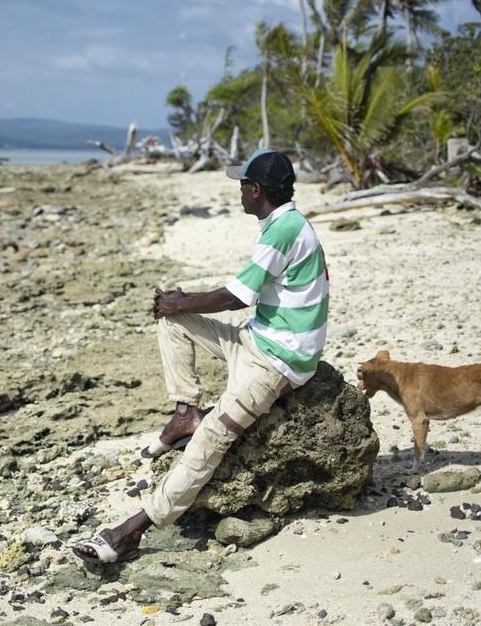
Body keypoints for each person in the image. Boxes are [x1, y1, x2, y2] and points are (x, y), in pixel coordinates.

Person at [73, 149, 329, 564]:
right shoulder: (282, 223)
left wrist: (182, 300)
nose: (239, 192)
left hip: (276, 363)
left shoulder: (284, 230)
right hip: (256, 339)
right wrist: (179, 306)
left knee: (213, 438)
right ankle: (184, 411)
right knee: (173, 321)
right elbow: (243, 297)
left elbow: (235, 297)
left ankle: (133, 529)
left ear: (257, 190)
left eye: (242, 184)